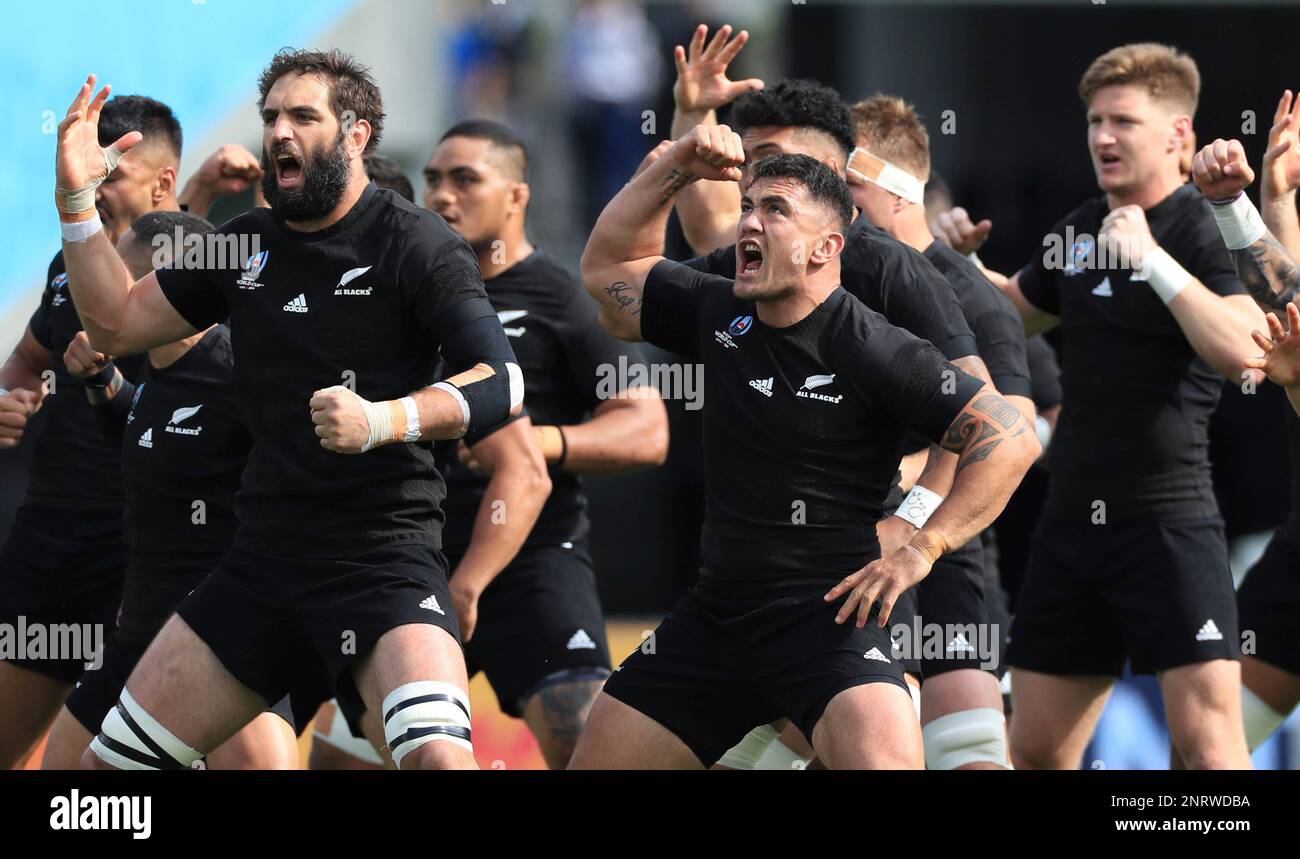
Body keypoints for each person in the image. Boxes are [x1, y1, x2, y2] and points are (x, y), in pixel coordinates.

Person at [54, 49, 522, 771]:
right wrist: (78, 207)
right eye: (271, 116)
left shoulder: (417, 243)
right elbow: (113, 323)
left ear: (356, 135)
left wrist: (382, 419)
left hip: (383, 560)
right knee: (104, 777)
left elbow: (503, 384)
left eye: (303, 116)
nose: (279, 132)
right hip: (260, 564)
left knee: (439, 760)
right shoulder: (246, 243)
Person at [570, 129, 1038, 769]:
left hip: (831, 619)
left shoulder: (875, 347)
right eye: (747, 207)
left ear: (827, 247)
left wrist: (924, 543)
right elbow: (606, 268)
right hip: (715, 616)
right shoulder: (718, 308)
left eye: (775, 210)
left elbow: (1007, 436)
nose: (749, 225)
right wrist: (677, 163)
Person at [950, 43, 1261, 769]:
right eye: (1094, 121)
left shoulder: (1203, 226)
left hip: (1170, 524)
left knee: (1212, 753)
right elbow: (1015, 314)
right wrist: (954, 265)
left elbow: (1247, 349)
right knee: (1032, 754)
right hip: (1070, 527)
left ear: (1179, 136)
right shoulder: (1081, 228)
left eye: (1123, 120)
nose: (1103, 138)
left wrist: (1151, 260)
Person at [0, 95, 248, 768]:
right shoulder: (65, 275)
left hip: (147, 555)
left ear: (163, 182)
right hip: (51, 538)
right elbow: (26, 360)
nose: (94, 188)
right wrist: (11, 394)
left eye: (110, 174)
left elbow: (177, 240)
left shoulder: (201, 285)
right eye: (88, 172)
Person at [40, 211, 303, 770]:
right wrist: (100, 384)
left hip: (219, 644)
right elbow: (153, 434)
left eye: (119, 277)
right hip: (137, 636)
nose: (102, 295)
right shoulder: (155, 369)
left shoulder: (244, 373)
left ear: (168, 280)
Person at [848, 94, 1033, 768]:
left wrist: (914, 517)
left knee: (970, 755)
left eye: (848, 187)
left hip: (945, 555)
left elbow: (1006, 438)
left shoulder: (973, 296)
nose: (831, 202)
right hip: (853, 548)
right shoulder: (836, 279)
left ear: (899, 190)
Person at [1186, 91, 1300, 752]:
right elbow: (1292, 308)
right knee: (1206, 751)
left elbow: (1285, 296)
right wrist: (1278, 198)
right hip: (1294, 559)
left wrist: (1232, 206)